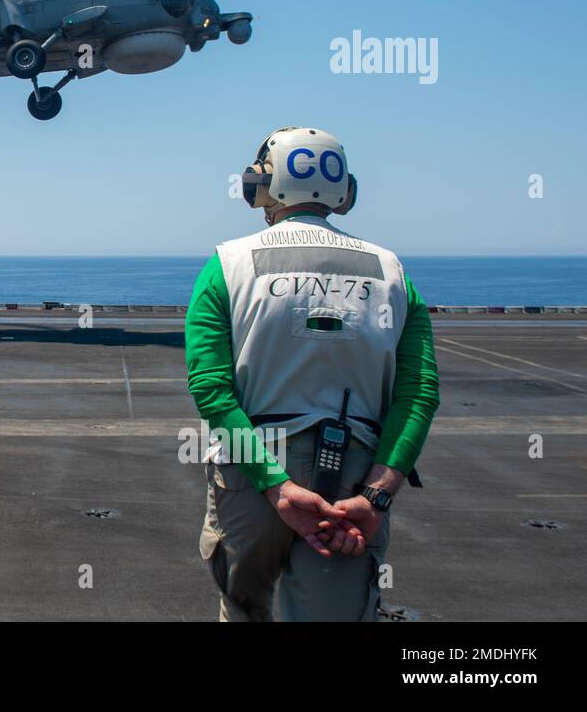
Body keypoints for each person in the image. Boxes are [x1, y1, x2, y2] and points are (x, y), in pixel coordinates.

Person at [185, 126, 439, 621]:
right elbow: (420, 391)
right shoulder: (392, 271)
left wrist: (275, 486)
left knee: (244, 611)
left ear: (262, 184)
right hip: (354, 478)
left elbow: (212, 389)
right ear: (345, 191)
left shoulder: (227, 263)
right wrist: (376, 493)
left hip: (253, 472)